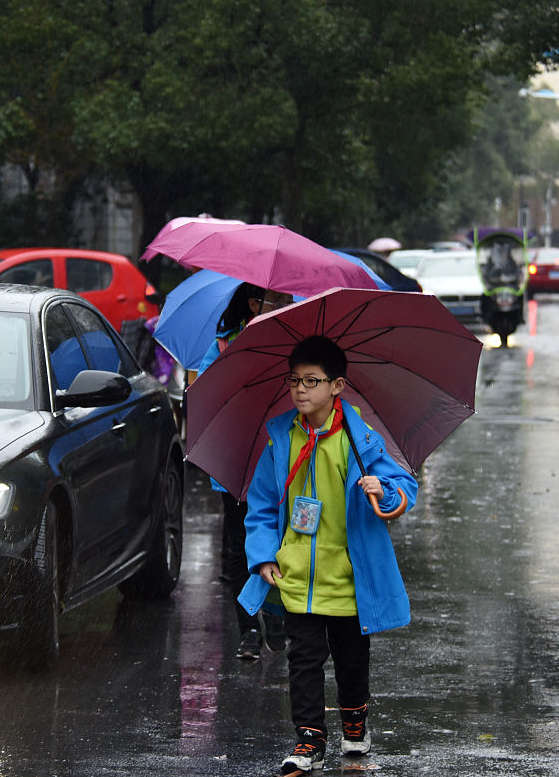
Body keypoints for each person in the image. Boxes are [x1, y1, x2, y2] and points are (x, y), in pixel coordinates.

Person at [238, 336, 417, 774]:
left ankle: (355, 723)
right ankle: (309, 740)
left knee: (352, 659)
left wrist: (383, 490)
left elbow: (404, 487)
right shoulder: (282, 439)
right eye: (294, 380)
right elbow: (261, 506)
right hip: (297, 575)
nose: (300, 390)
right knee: (304, 658)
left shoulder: (360, 440)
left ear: (337, 385)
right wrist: (264, 556)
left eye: (312, 381)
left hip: (348, 576)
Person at [198, 282, 292, 661]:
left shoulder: (294, 340)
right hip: (238, 461)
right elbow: (206, 394)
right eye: (280, 299)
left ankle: (277, 611)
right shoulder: (223, 344)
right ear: (255, 304)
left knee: (284, 541)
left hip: (285, 460)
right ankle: (248, 627)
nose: (288, 304)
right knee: (241, 547)